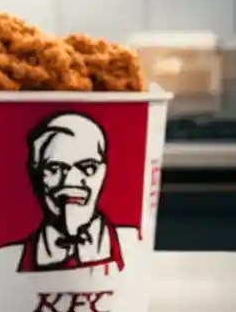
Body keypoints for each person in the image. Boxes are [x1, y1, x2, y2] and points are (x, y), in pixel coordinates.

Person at [7, 112, 139, 273]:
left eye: (88, 167)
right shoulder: (4, 260)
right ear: (37, 174)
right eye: (55, 169)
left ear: (103, 172)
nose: (70, 182)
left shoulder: (135, 244)